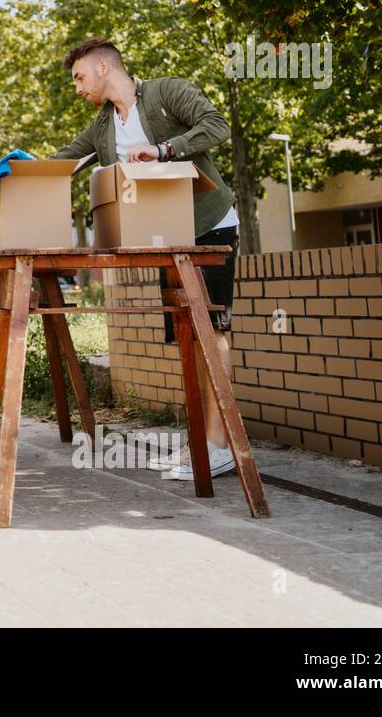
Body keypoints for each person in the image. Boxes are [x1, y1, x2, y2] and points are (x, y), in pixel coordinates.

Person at [50, 38, 240, 480]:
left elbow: (217, 126)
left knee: (212, 332)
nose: (77, 87)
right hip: (164, 238)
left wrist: (162, 150)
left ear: (102, 68)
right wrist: (11, 171)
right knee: (187, 337)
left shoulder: (166, 92)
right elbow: (65, 160)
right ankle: (202, 445)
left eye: (79, 77)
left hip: (209, 227)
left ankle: (221, 445)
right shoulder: (103, 126)